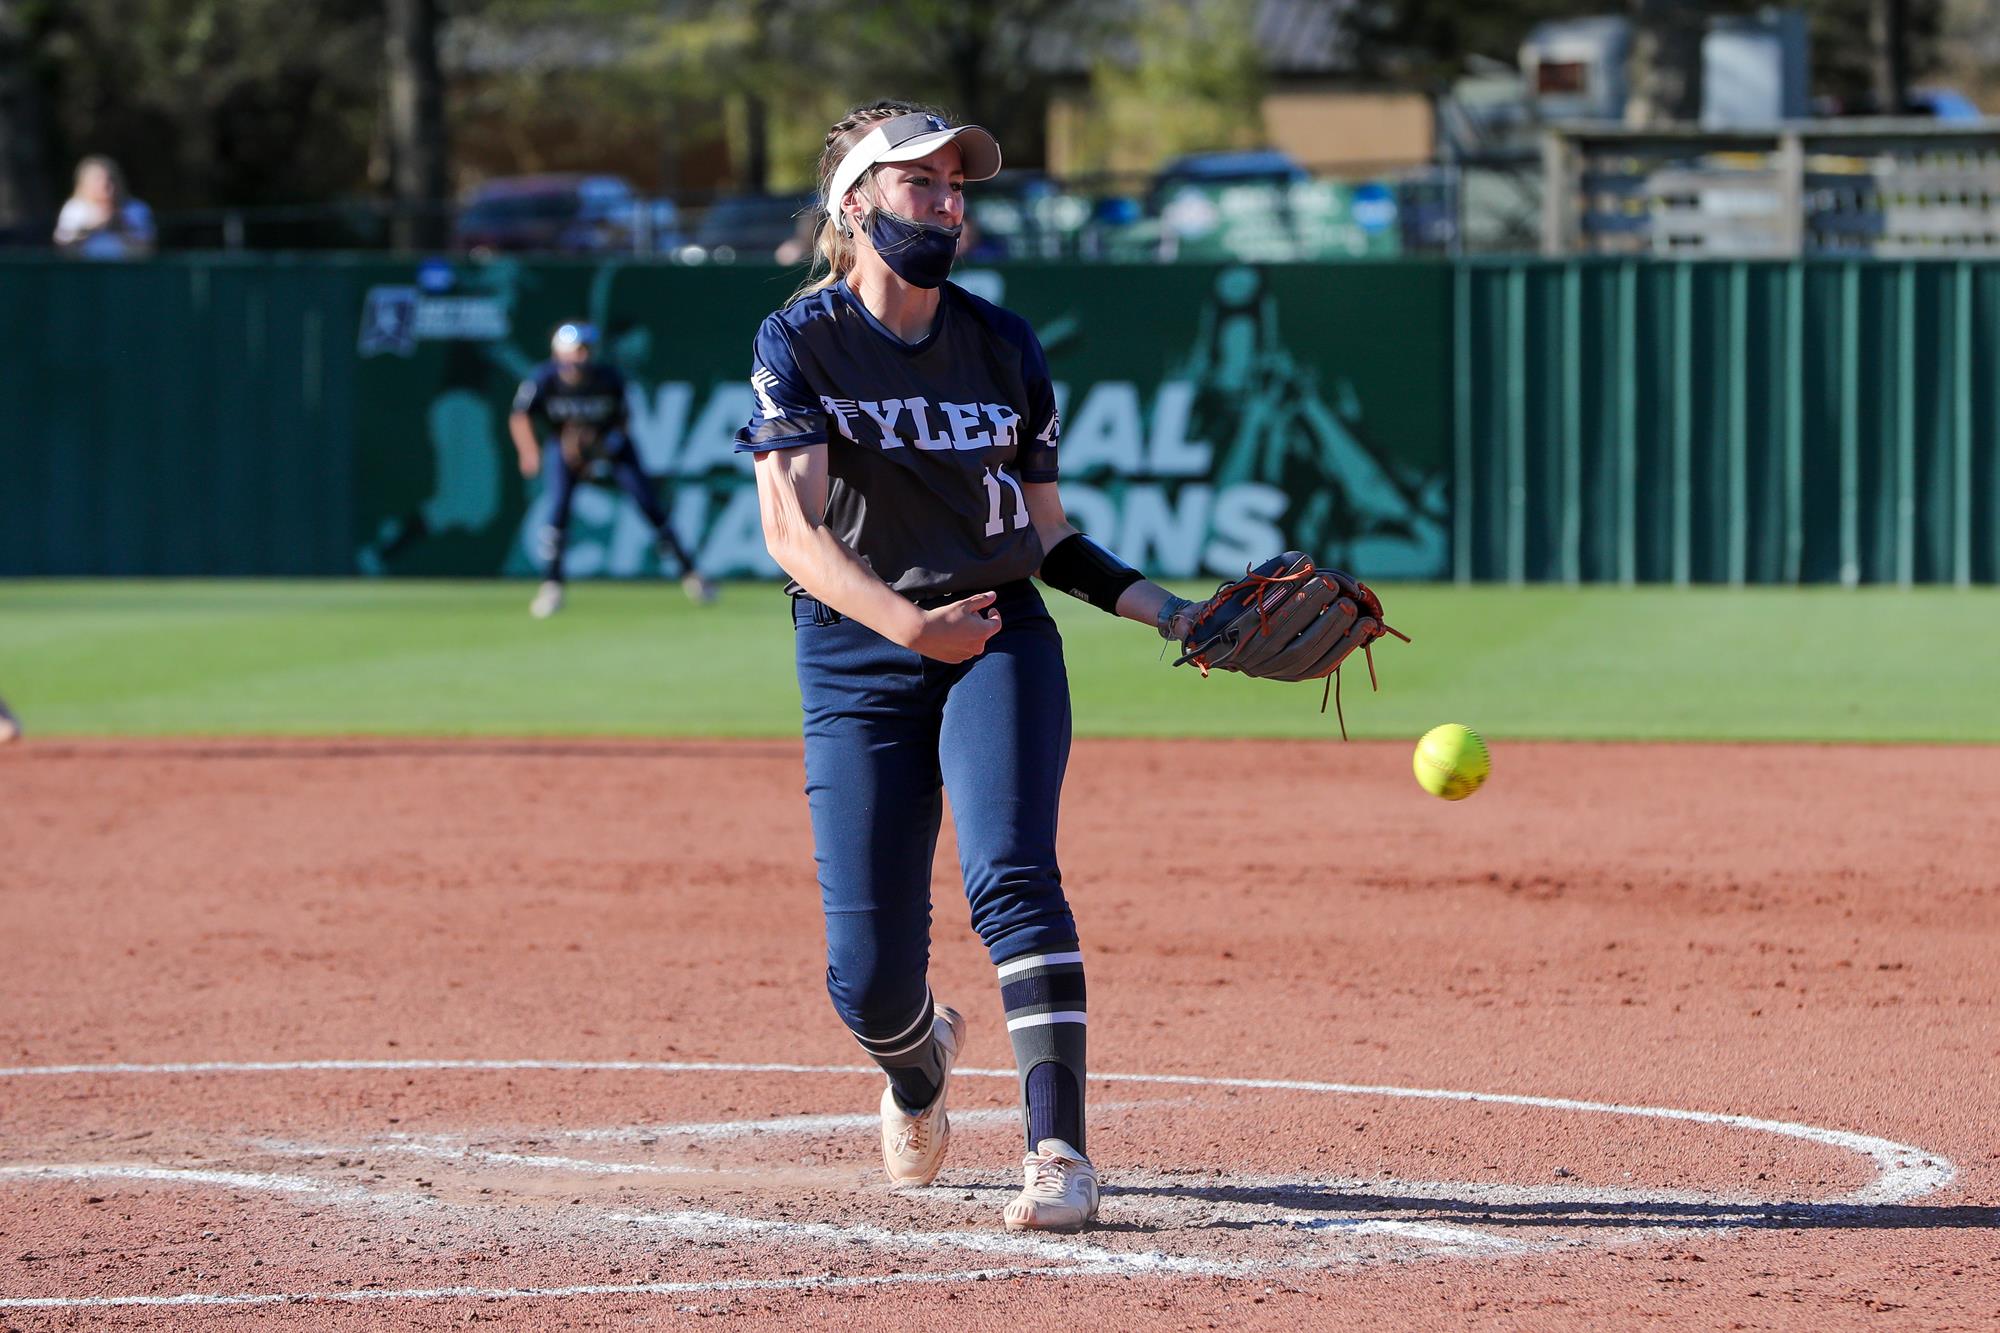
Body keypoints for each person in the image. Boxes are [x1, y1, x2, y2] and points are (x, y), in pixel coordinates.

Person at [735, 101, 1204, 1233]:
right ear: (855, 205)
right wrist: (906, 624)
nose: (947, 204)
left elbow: (1047, 539)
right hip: (858, 657)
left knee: (1010, 872)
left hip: (998, 638)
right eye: (920, 186)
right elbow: (791, 535)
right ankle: (916, 1067)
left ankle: (1057, 1150)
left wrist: (1171, 613)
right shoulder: (798, 340)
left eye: (958, 188)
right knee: (867, 982)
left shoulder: (1002, 344)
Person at [510, 322, 714, 616]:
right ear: (560, 352)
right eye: (577, 350)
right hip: (564, 447)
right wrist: (529, 452)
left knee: (649, 504)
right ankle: (552, 586)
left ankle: (692, 575)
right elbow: (520, 416)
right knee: (557, 513)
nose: (582, 357)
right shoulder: (544, 379)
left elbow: (624, 418)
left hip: (611, 443)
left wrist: (603, 449)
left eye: (587, 350)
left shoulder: (608, 377)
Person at [53, 157, 156, 259]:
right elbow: (63, 248)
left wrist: (120, 228)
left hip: (127, 272)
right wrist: (92, 229)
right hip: (84, 273)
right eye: (97, 179)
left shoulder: (135, 209)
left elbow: (147, 249)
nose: (105, 184)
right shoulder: (74, 209)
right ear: (83, 183)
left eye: (110, 179)